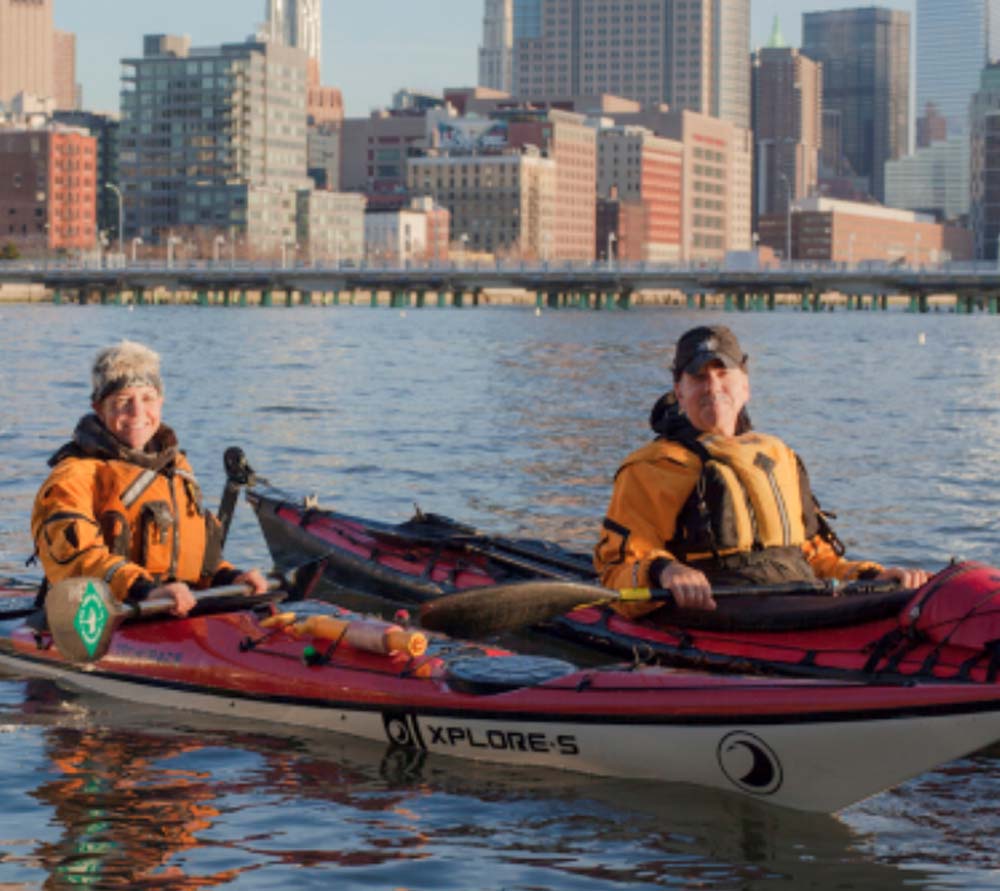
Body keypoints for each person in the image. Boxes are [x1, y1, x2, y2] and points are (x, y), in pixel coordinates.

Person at [594, 325, 929, 612]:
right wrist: (665, 572)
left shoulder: (778, 456)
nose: (713, 387)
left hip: (796, 598)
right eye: (698, 378)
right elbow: (616, 570)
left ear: (745, 385)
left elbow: (815, 558)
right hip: (716, 610)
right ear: (679, 391)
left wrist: (872, 576)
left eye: (723, 374)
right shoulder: (652, 467)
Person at [31, 340, 267, 617]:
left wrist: (228, 578)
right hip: (102, 616)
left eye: (147, 398)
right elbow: (76, 560)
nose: (137, 413)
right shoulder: (73, 477)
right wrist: (145, 590)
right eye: (122, 402)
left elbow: (192, 558)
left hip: (168, 608)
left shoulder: (175, 468)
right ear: (99, 408)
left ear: (161, 402)